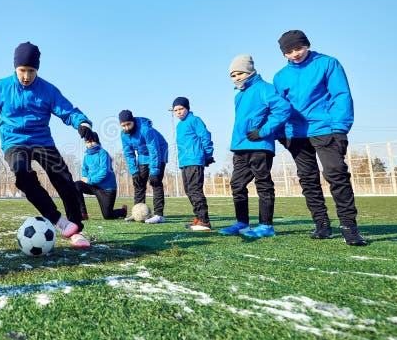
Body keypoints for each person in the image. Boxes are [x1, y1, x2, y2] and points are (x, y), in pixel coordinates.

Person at [0, 41, 93, 248]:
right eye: (22, 70)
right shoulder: (1, 87)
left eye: (31, 71)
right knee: (23, 176)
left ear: (37, 69)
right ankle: (58, 220)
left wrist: (82, 123)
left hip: (42, 141)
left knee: (65, 179)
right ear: (15, 67)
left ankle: (76, 229)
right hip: (14, 142)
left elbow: (68, 110)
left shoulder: (48, 90)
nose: (26, 76)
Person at [273, 30, 368, 246]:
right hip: (296, 135)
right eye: (288, 51)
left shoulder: (328, 64)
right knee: (308, 179)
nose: (294, 54)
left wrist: (340, 128)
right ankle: (322, 224)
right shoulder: (280, 77)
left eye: (298, 48)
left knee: (336, 174)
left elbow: (341, 95)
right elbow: (279, 108)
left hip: (326, 129)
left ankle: (348, 227)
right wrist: (280, 134)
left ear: (306, 45)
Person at [220, 54, 291, 238]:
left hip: (259, 145)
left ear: (250, 71)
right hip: (240, 146)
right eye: (233, 75)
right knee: (237, 185)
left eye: (240, 73)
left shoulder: (264, 88)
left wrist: (263, 131)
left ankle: (266, 226)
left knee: (263, 184)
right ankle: (242, 223)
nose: (236, 78)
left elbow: (283, 109)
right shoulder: (239, 96)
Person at [171, 96, 214, 231]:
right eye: (175, 110)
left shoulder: (194, 120)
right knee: (189, 190)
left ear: (187, 108)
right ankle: (198, 217)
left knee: (195, 190)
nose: (178, 112)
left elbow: (205, 136)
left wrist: (208, 154)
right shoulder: (179, 125)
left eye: (181, 108)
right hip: (185, 162)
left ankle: (204, 221)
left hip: (195, 160)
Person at [118, 109, 169, 224]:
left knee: (155, 182)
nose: (126, 128)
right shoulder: (124, 135)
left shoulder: (146, 130)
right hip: (143, 155)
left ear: (133, 122)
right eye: (123, 125)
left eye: (128, 124)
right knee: (138, 182)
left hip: (159, 152)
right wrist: (134, 171)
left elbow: (154, 150)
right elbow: (129, 153)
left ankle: (159, 215)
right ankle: (137, 212)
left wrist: (155, 171)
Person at [74, 132, 128, 220]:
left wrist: (89, 180)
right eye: (87, 142)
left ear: (97, 141)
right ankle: (83, 213)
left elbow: (104, 172)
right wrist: (84, 177)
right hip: (93, 186)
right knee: (76, 185)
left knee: (107, 216)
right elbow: (84, 169)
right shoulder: (86, 156)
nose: (90, 144)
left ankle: (123, 211)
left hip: (107, 189)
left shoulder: (103, 153)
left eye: (92, 141)